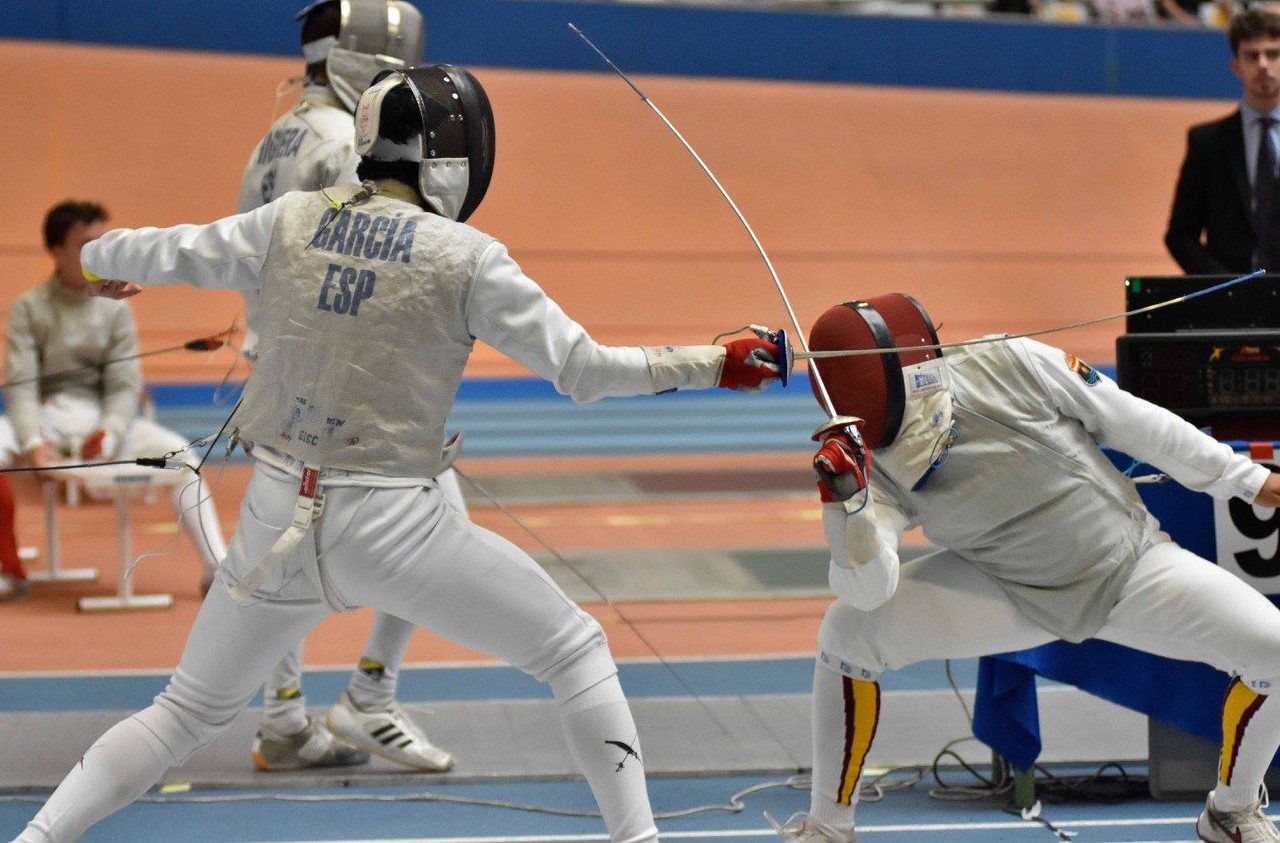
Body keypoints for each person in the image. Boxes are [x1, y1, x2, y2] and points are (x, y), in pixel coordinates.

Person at [11, 63, 784, 843]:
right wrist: (715, 363)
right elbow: (584, 370)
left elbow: (157, 249)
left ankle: (37, 837)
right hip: (392, 527)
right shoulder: (468, 257)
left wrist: (104, 261)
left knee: (181, 712)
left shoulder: (288, 219)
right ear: (452, 156)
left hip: (274, 516)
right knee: (575, 648)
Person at [773, 294, 1280, 842]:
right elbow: (871, 590)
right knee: (847, 633)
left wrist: (1246, 479)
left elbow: (1133, 422)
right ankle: (827, 827)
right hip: (1008, 589)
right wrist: (848, 506)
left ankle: (1229, 811)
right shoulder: (870, 463)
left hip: (1129, 567)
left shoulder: (1011, 361)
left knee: (1275, 652)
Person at [236, 0, 454, 775]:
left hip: (278, 380)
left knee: (283, 554)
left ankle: (287, 719)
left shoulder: (273, 139)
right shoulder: (341, 143)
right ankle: (370, 696)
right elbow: (378, 258)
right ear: (344, 57)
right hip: (345, 383)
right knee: (438, 519)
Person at [0, 201, 228, 598]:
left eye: (103, 243)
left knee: (184, 458)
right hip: (46, 420)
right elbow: (20, 385)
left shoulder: (115, 309)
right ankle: (6, 568)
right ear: (57, 251)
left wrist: (108, 432)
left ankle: (217, 570)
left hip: (104, 421)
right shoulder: (29, 308)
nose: (100, 254)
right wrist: (33, 443)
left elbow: (124, 386)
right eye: (87, 245)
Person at [1165, 9, 1280, 274]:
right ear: (1236, 66)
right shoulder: (1207, 143)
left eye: (1273, 54)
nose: (1263, 64)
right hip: (1228, 303)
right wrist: (1222, 288)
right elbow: (1180, 235)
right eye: (1252, 56)